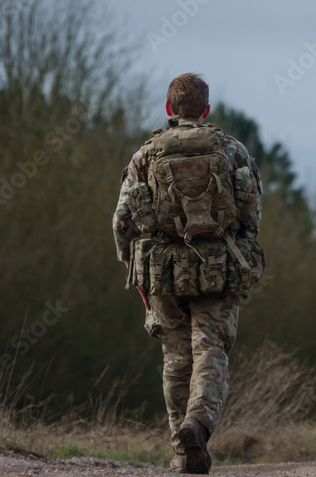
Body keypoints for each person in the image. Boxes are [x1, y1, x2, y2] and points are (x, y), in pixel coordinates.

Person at [113, 73, 265, 474]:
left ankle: (182, 452)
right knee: (210, 351)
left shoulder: (145, 155)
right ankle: (197, 424)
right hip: (217, 269)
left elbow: (121, 221)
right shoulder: (232, 150)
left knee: (176, 359)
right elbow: (251, 217)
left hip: (163, 272)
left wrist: (130, 263)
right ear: (206, 110)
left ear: (168, 110)